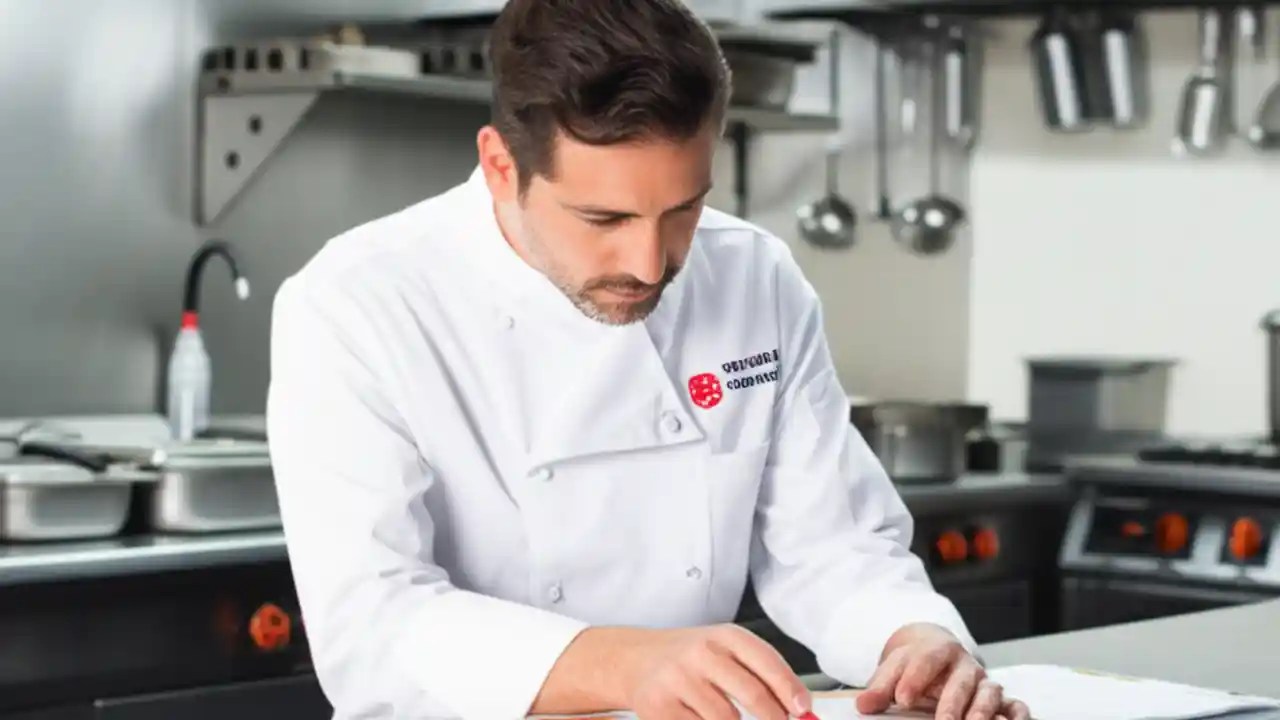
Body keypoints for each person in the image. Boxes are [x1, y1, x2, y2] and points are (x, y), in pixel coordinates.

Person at [267, 1, 1030, 718]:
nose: (649, 262)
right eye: (603, 217)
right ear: (502, 167)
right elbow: (372, 625)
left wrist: (910, 637)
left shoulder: (754, 276)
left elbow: (831, 544)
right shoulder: (357, 302)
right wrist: (629, 664)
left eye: (684, 208)